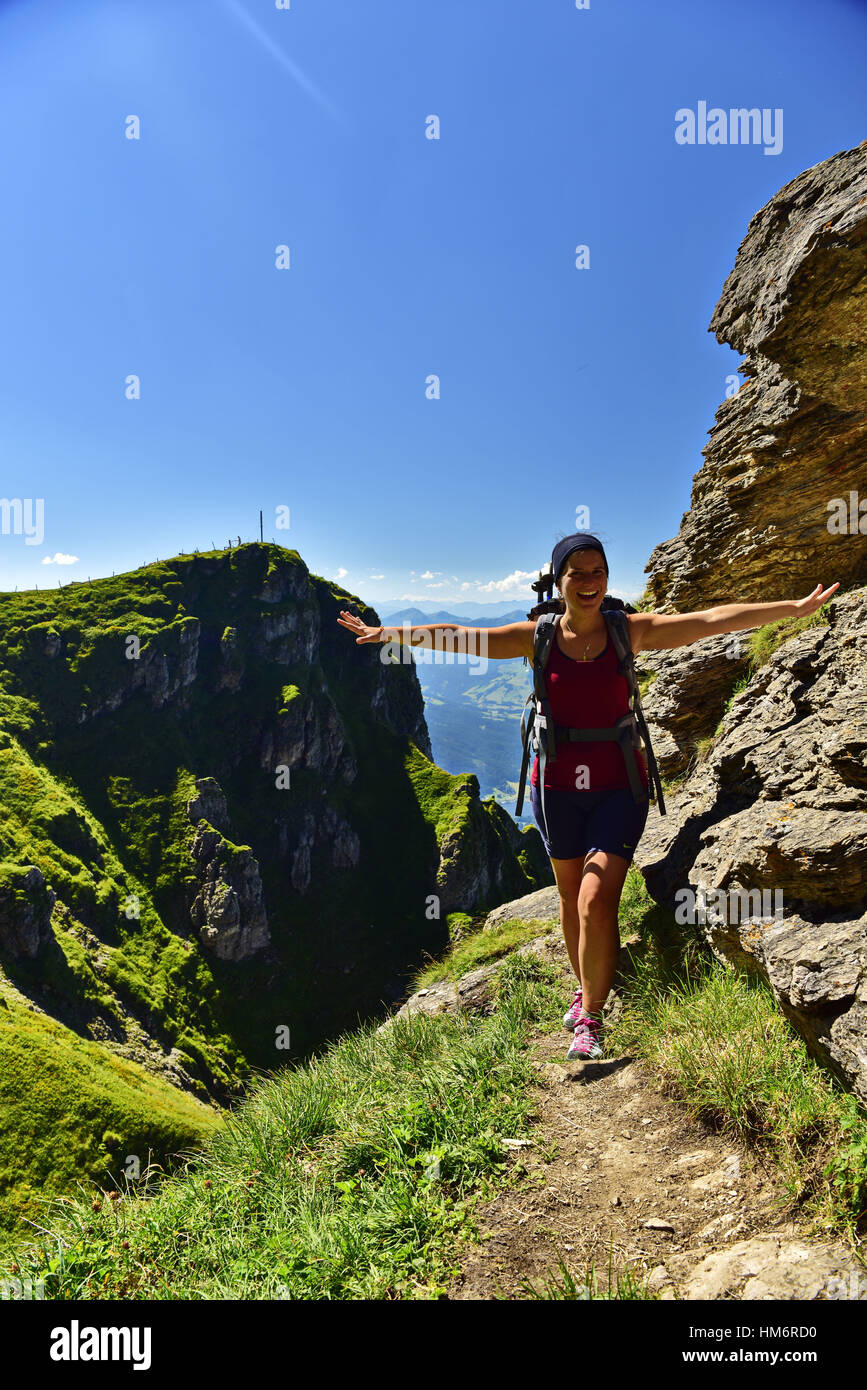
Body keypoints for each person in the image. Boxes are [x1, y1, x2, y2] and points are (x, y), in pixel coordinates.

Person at [336, 534, 838, 1063]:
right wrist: (387, 633)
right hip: (553, 788)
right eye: (577, 573)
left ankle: (593, 1017)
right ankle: (585, 988)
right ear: (559, 581)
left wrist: (793, 608)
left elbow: (711, 620)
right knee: (570, 899)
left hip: (619, 786)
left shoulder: (629, 632)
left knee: (597, 900)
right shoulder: (539, 637)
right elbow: (461, 636)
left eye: (598, 571)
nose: (590, 582)